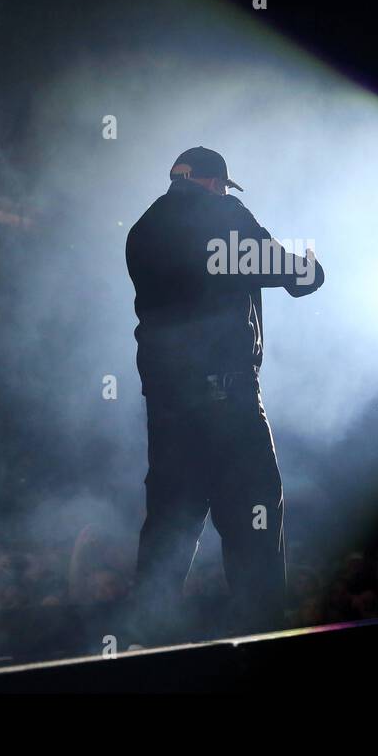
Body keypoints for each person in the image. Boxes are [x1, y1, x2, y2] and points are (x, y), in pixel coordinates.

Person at [125, 146, 325, 641]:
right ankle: (261, 650)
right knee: (253, 517)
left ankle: (139, 646)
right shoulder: (223, 215)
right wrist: (309, 262)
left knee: (170, 525)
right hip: (227, 401)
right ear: (215, 183)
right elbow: (300, 278)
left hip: (167, 406)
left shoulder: (141, 230)